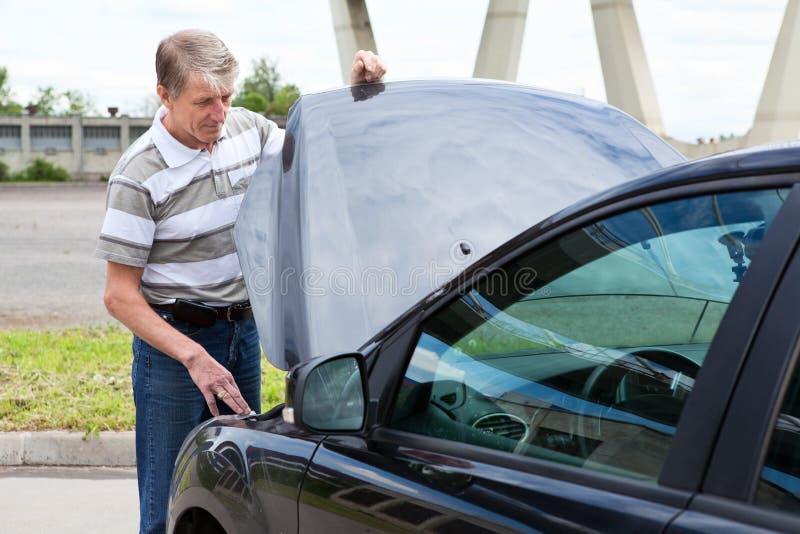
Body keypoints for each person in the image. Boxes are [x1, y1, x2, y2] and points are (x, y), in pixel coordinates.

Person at [95, 29, 386, 534]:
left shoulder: (248, 131)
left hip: (243, 335)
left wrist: (357, 93)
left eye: (226, 96)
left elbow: (321, 150)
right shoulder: (137, 175)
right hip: (173, 353)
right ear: (163, 95)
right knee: (166, 503)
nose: (219, 112)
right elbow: (119, 296)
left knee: (233, 488)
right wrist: (193, 357)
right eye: (204, 100)